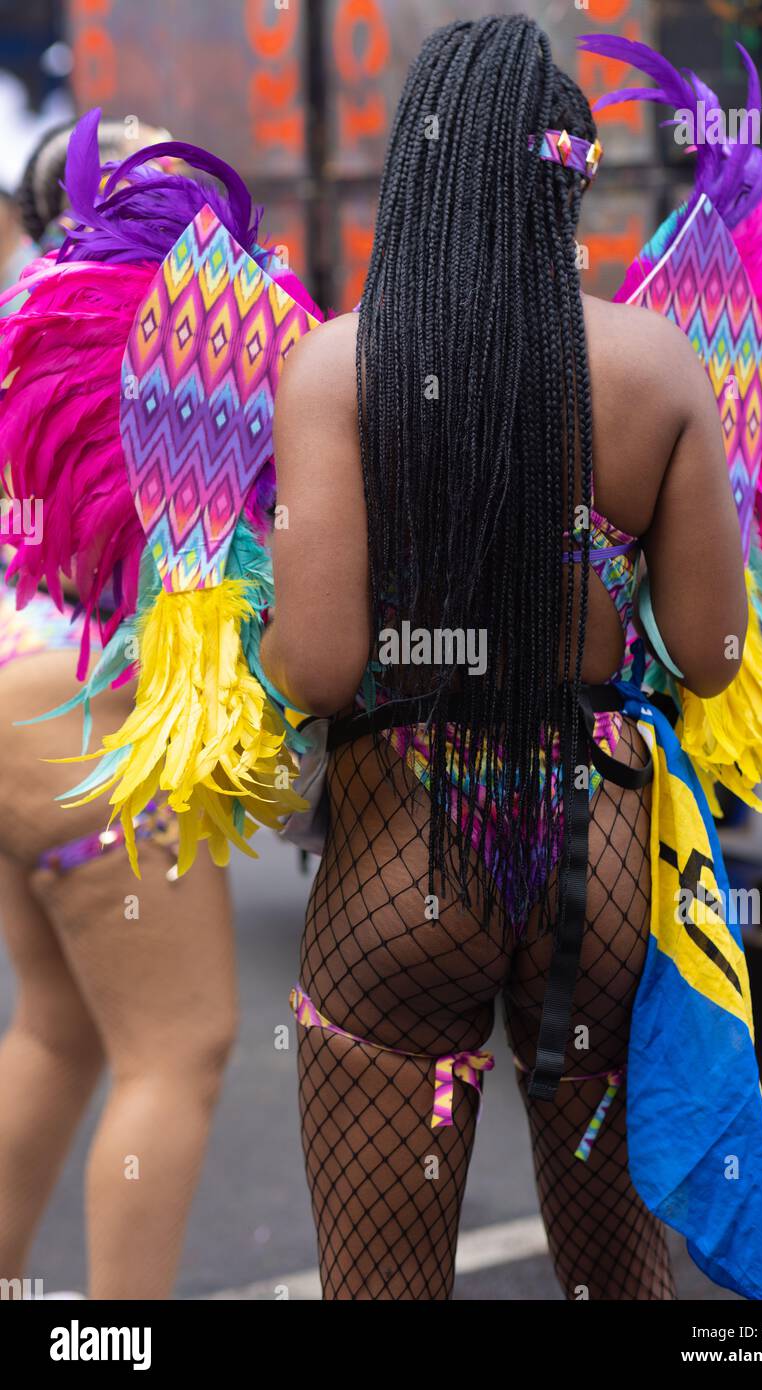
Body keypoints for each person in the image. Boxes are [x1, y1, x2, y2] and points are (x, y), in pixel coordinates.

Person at [262, 15, 762, 1301]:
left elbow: (314, 666)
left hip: (395, 863)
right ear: (569, 182)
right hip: (594, 870)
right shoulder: (658, 364)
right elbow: (706, 656)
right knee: (613, 1282)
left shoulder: (332, 367)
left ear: (416, 173)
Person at [0, 120, 235, 1302]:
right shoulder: (165, 333)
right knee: (174, 1050)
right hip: (88, 719)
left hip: (17, 711)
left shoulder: (26, 323)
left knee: (57, 1026)